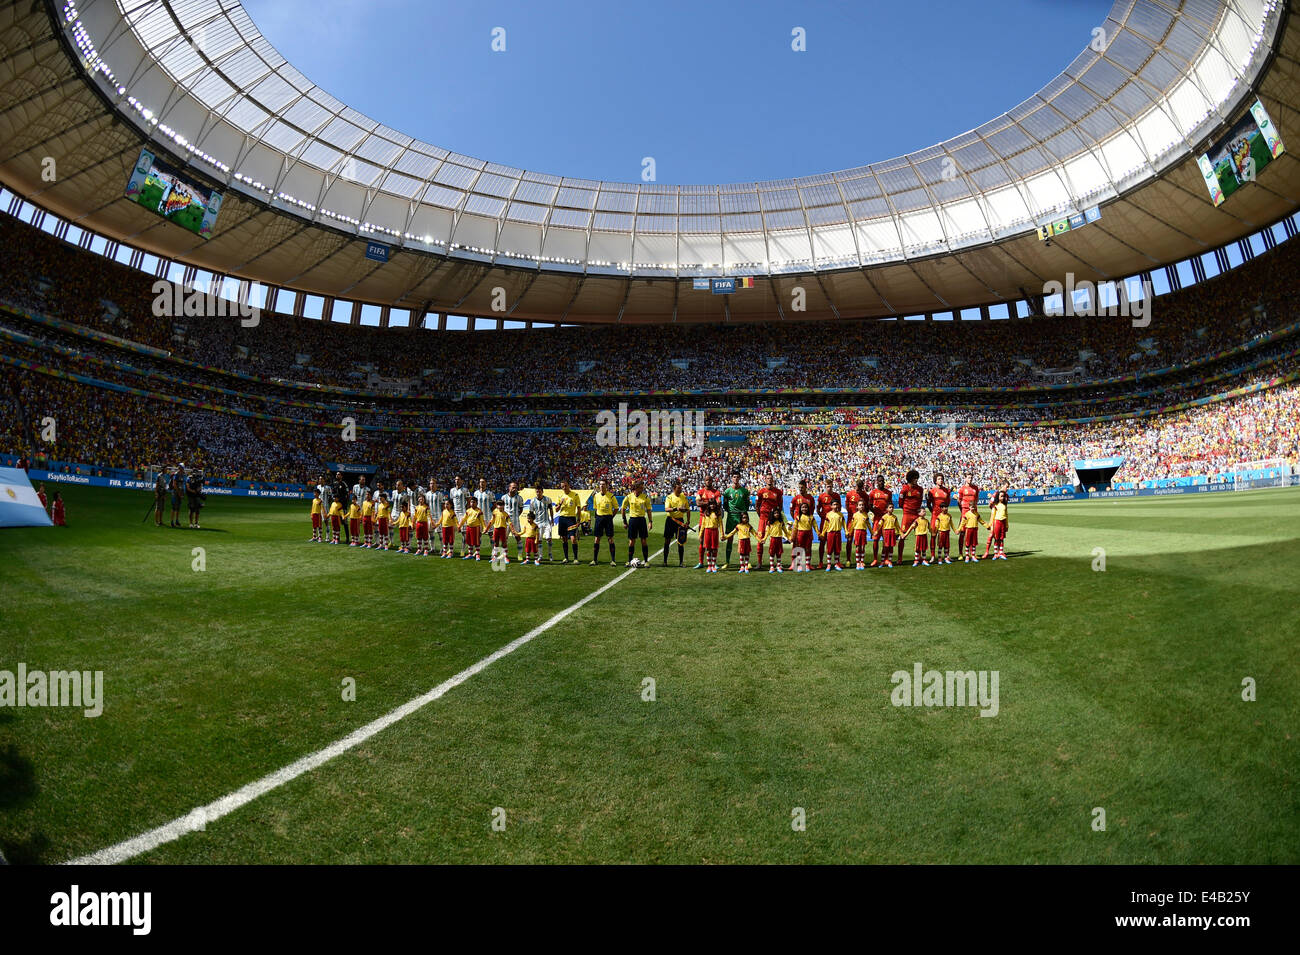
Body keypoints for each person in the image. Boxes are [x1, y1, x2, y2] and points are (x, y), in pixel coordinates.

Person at [721, 472, 751, 570]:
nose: (736, 479)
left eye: (738, 477)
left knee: (744, 539)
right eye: (734, 477)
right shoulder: (727, 491)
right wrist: (730, 511)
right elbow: (725, 505)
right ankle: (727, 561)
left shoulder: (744, 491)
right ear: (732, 478)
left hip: (741, 517)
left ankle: (747, 562)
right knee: (729, 539)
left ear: (740, 478)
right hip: (731, 517)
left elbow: (747, 504)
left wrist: (743, 513)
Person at [753, 473, 783, 570]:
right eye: (768, 478)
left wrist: (776, 517)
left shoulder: (778, 492)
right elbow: (757, 505)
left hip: (773, 521)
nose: (769, 480)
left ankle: (777, 563)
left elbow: (780, 505)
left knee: (776, 540)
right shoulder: (761, 491)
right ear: (765, 480)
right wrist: (761, 515)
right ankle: (759, 562)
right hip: (763, 519)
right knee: (760, 540)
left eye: (771, 479)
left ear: (773, 480)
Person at [620, 479, 652, 566]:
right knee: (631, 542)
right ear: (636, 488)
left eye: (643, 487)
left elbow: (649, 511)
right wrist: (624, 521)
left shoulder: (645, 497)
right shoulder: (629, 497)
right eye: (641, 487)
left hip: (642, 520)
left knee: (644, 541)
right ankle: (629, 560)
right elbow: (622, 509)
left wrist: (650, 522)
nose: (642, 489)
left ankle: (646, 561)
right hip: (633, 520)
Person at [896, 469, 924, 565]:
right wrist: (906, 509)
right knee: (902, 536)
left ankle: (918, 556)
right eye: (914, 478)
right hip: (907, 515)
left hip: (917, 515)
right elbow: (900, 502)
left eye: (917, 478)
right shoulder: (904, 489)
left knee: (919, 536)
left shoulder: (920, 489)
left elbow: (920, 501)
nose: (916, 480)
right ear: (910, 479)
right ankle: (899, 558)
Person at [693, 476, 721, 569]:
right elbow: (697, 503)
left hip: (713, 519)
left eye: (710, 480)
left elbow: (719, 503)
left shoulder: (716, 492)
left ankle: (714, 563)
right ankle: (701, 562)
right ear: (704, 481)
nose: (708, 481)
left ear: (712, 481)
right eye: (706, 480)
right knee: (701, 541)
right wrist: (710, 502)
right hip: (703, 518)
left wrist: (704, 502)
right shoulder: (700, 492)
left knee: (713, 543)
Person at [589, 479, 620, 566]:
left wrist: (611, 517)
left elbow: (616, 508)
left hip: (608, 518)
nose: (602, 486)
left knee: (610, 539)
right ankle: (594, 560)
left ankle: (613, 560)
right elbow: (595, 508)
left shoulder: (611, 496)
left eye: (603, 484)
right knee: (597, 538)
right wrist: (597, 517)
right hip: (599, 518)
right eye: (600, 484)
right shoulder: (596, 496)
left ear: (607, 486)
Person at [661, 478, 691, 567]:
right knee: (667, 541)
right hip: (670, 520)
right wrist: (677, 509)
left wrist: (688, 521)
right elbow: (666, 509)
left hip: (680, 521)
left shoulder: (683, 497)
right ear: (674, 488)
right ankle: (665, 561)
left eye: (680, 488)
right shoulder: (669, 497)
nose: (680, 489)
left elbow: (688, 510)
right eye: (678, 488)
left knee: (680, 542)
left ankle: (681, 562)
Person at [816, 478, 841, 569]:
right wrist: (822, 516)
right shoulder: (821, 496)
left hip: (834, 522)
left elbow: (840, 508)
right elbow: (818, 508)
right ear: (825, 487)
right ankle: (821, 562)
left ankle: (836, 562)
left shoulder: (836, 496)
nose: (829, 488)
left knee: (835, 543)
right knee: (822, 542)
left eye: (830, 486)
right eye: (827, 487)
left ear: (832, 486)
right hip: (824, 522)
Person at [867, 475, 892, 567]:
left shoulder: (888, 493)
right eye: (879, 481)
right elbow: (869, 505)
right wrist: (873, 511)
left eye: (882, 481)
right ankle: (875, 559)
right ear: (877, 482)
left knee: (886, 540)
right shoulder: (873, 493)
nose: (881, 482)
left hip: (886, 519)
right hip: (877, 519)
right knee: (875, 539)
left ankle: (885, 559)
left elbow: (890, 505)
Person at [554, 481, 581, 564]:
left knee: (573, 538)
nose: (564, 488)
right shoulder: (560, 496)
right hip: (562, 518)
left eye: (565, 486)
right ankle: (566, 558)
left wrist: (578, 519)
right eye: (562, 486)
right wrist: (560, 503)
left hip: (571, 519)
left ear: (569, 486)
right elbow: (556, 509)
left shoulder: (575, 495)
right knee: (564, 539)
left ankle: (575, 558)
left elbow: (579, 508)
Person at [927, 473, 952, 562]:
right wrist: (933, 512)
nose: (940, 480)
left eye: (941, 479)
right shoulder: (932, 491)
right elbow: (928, 503)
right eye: (938, 479)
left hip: (944, 517)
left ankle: (946, 556)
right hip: (935, 516)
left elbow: (947, 504)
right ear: (935, 481)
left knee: (945, 536)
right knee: (933, 535)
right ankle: (933, 556)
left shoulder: (947, 491)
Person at [527, 483, 555, 562]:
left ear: (542, 492)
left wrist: (552, 519)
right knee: (539, 540)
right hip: (537, 523)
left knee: (549, 539)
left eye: (539, 492)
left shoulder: (548, 499)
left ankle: (550, 554)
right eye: (537, 492)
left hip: (546, 522)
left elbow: (551, 509)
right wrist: (531, 523)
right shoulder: (532, 501)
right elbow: (531, 513)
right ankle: (540, 555)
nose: (538, 493)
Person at [500, 482, 527, 561]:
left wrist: (516, 515)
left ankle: (520, 554)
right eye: (513, 487)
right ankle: (505, 555)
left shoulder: (519, 498)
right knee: (504, 538)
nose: (514, 489)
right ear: (509, 487)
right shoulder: (503, 497)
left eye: (515, 487)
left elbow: (521, 509)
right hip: (505, 522)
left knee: (517, 537)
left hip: (515, 521)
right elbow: (500, 509)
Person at [820, 500, 845, 571]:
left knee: (837, 549)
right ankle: (829, 564)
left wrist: (846, 531)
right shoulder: (828, 514)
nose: (835, 506)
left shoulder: (840, 514)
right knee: (829, 549)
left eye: (837, 504)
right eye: (834, 504)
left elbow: (844, 524)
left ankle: (837, 564)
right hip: (830, 533)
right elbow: (825, 525)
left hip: (838, 533)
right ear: (831, 506)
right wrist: (823, 533)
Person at [791, 501, 816, 572]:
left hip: (808, 534)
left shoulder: (811, 517)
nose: (804, 509)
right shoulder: (798, 517)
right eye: (802, 507)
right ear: (800, 509)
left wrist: (819, 533)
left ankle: (807, 565)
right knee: (799, 549)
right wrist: (792, 536)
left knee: (808, 549)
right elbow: (795, 527)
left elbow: (815, 526)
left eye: (805, 507)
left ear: (808, 509)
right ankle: (799, 565)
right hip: (800, 535)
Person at [985, 490, 1009, 560]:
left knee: (1001, 538)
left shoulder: (1005, 505)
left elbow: (1006, 515)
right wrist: (990, 524)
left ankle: (1001, 552)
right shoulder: (995, 505)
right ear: (998, 497)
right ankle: (995, 553)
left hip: (1003, 522)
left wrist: (1007, 525)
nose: (1002, 497)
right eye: (1001, 496)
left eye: (1003, 496)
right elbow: (992, 515)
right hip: (997, 522)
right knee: (996, 538)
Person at [449, 476, 470, 556]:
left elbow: (468, 502)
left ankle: (462, 550)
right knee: (451, 532)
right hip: (454, 513)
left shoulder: (465, 490)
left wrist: (467, 513)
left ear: (462, 481)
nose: (457, 481)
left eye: (458, 479)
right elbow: (451, 502)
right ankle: (451, 549)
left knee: (464, 533)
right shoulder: (452, 490)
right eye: (456, 479)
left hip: (463, 513)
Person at [698, 500, 721, 573]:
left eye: (713, 504)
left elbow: (721, 524)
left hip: (715, 531)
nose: (712, 506)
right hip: (707, 532)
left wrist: (722, 534)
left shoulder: (718, 513)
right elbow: (703, 525)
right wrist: (700, 534)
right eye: (711, 504)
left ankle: (713, 566)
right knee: (708, 549)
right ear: (709, 505)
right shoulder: (706, 513)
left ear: (715, 505)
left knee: (714, 549)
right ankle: (709, 566)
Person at [849, 499, 873, 570]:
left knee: (862, 547)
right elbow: (852, 525)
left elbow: (868, 525)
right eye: (860, 505)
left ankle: (862, 561)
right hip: (857, 532)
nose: (861, 506)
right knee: (857, 547)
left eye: (862, 505)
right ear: (857, 507)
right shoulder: (855, 515)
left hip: (863, 532)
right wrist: (850, 533)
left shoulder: (865, 515)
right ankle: (857, 562)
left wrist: (872, 532)